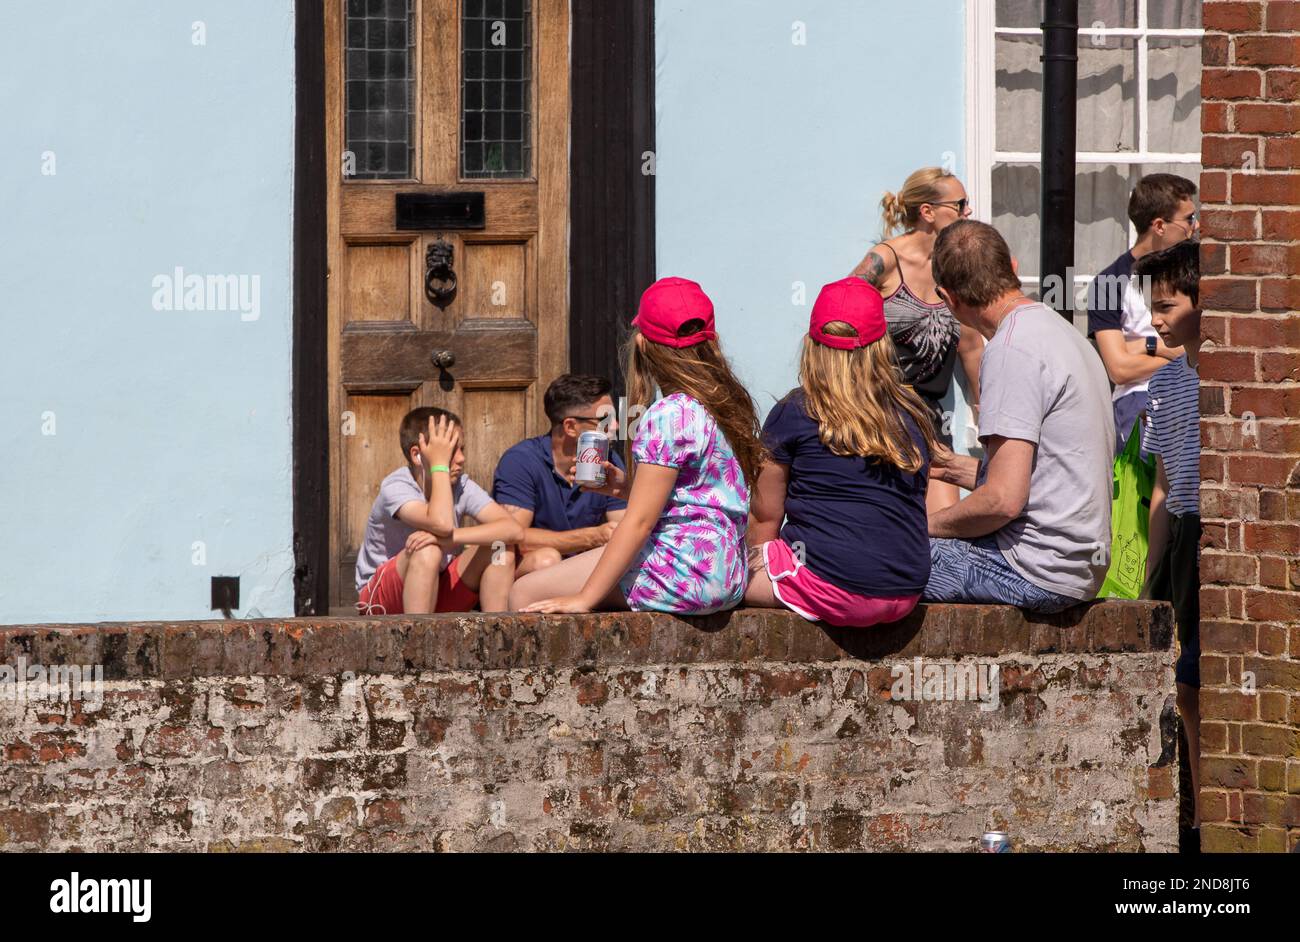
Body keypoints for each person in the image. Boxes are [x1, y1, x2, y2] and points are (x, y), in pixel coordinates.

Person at [511, 277, 764, 615]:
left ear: (643, 344)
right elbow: (699, 498)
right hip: (725, 572)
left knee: (525, 592)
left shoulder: (669, 413)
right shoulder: (726, 404)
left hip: (683, 572)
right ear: (711, 340)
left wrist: (584, 598)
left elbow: (640, 522)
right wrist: (625, 488)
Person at [923, 221, 1114, 613]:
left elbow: (1003, 501)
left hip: (1032, 568)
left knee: (873, 561)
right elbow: (1046, 477)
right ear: (1011, 264)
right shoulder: (1061, 331)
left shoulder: (1010, 349)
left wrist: (924, 525)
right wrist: (948, 466)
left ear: (947, 297)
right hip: (1078, 565)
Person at [745, 278, 935, 627]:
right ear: (881, 347)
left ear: (811, 345)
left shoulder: (795, 411)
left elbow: (763, 519)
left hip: (832, 587)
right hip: (906, 591)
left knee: (714, 574)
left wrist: (751, 561)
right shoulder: (913, 413)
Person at [851, 167, 985, 513]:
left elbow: (970, 345)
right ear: (928, 212)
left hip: (928, 415)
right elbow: (840, 318)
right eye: (960, 204)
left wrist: (985, 410)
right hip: (876, 408)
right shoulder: (886, 261)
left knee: (942, 526)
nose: (968, 211)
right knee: (881, 517)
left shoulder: (955, 268)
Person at [1135, 240, 1202, 842]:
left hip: (1216, 537)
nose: (1154, 319)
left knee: (1207, 675)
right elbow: (1160, 485)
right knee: (1185, 681)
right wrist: (1152, 570)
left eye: (1165, 304)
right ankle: (1200, 813)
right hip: (1182, 536)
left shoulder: (1232, 383)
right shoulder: (1165, 386)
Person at [355, 409, 523, 615]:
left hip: (436, 588)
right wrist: (439, 466)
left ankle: (495, 637)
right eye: (451, 451)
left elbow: (514, 530)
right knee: (427, 551)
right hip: (382, 600)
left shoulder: (461, 485)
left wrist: (452, 539)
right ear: (417, 455)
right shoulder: (396, 486)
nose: (461, 459)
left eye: (462, 449)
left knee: (500, 547)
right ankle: (419, 641)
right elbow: (441, 523)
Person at [1088, 173, 1198, 454]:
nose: (1196, 227)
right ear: (1159, 225)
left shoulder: (1197, 272)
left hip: (1194, 391)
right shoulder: (1109, 284)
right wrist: (1170, 351)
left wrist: (1144, 347)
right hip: (1137, 401)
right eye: (1188, 219)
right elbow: (1120, 369)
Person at [492, 374, 627, 579]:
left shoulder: (608, 460)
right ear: (570, 427)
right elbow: (513, 536)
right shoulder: (520, 460)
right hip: (526, 573)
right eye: (605, 419)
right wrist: (594, 536)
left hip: (582, 572)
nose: (616, 426)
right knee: (546, 560)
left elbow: (621, 527)